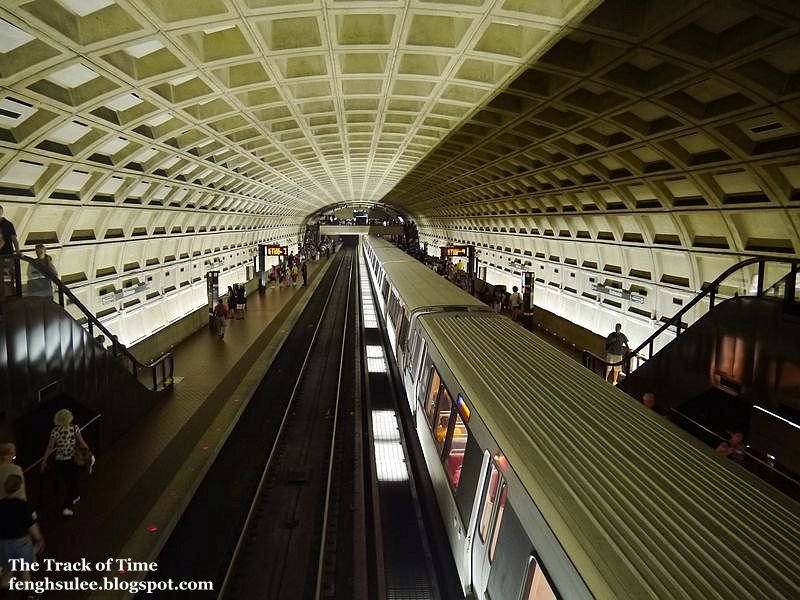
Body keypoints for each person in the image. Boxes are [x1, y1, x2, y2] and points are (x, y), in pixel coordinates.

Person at [40, 409, 91, 517]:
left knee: (68, 481)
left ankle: (74, 496)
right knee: (72, 481)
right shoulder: (74, 428)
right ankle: (67, 507)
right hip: (74, 459)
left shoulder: (55, 431)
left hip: (60, 461)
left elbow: (50, 447)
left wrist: (44, 461)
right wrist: (89, 453)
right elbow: (82, 443)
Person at [0, 474, 44, 592]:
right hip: (22, 543)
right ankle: (28, 594)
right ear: (19, 488)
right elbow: (32, 527)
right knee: (25, 571)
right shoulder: (24, 506)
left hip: (4, 544)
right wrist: (39, 539)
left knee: (7, 570)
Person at [0, 205, 20, 300]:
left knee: (7, 276)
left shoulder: (8, 224)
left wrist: (17, 250)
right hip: (5, 255)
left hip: (7, 254)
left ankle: (8, 297)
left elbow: (13, 238)